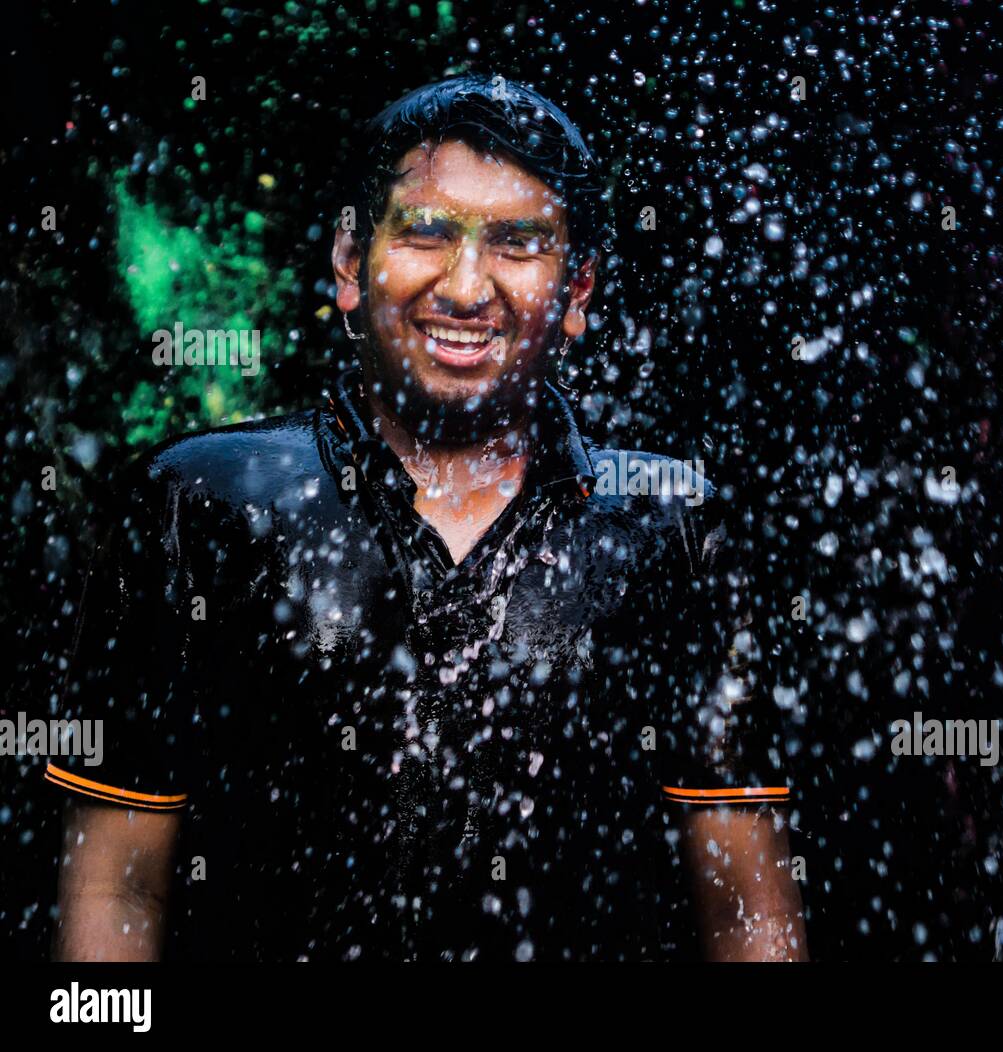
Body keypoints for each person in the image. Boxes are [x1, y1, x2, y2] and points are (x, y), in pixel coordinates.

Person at [48, 74, 806, 962]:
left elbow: (749, 910)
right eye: (427, 233)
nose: (466, 285)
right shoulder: (203, 503)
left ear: (579, 291)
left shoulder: (665, 524)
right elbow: (117, 882)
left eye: (519, 244)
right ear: (346, 263)